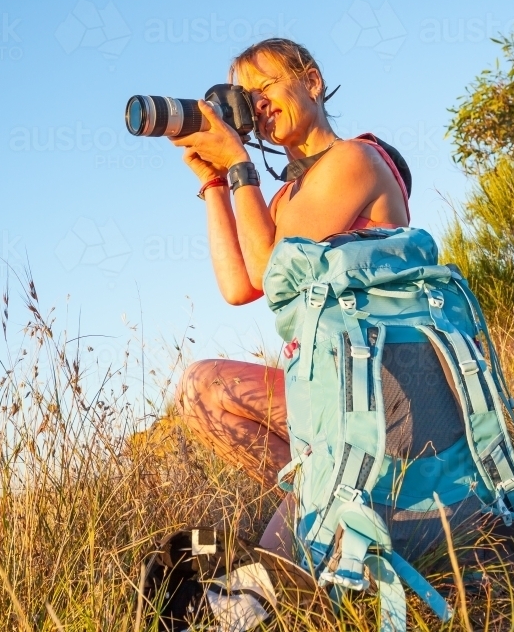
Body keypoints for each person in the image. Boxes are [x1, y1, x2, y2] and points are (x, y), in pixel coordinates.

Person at [171, 38, 410, 557]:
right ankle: (323, 499)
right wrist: (214, 182)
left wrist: (238, 162)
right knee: (199, 390)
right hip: (329, 394)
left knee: (273, 576)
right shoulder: (284, 200)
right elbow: (239, 286)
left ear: (312, 82)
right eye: (246, 97)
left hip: (382, 390)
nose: (256, 105)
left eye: (266, 86)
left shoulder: (355, 160)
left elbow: (271, 271)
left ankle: (317, 532)